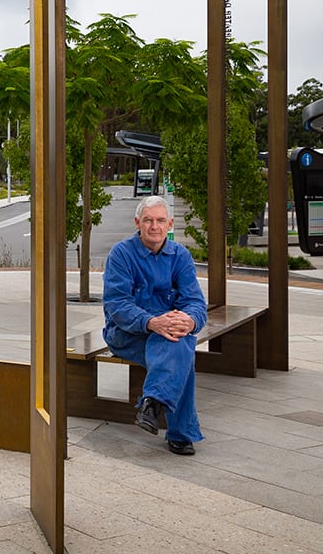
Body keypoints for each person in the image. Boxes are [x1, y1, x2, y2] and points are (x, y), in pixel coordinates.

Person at [102, 195, 208, 455]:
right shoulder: (121, 254)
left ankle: (151, 405)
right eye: (148, 220)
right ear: (137, 222)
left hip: (167, 332)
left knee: (179, 341)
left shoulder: (180, 256)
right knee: (181, 350)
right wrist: (151, 322)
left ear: (170, 224)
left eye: (160, 221)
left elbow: (195, 302)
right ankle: (180, 434)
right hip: (127, 334)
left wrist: (190, 320)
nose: (154, 226)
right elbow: (118, 306)